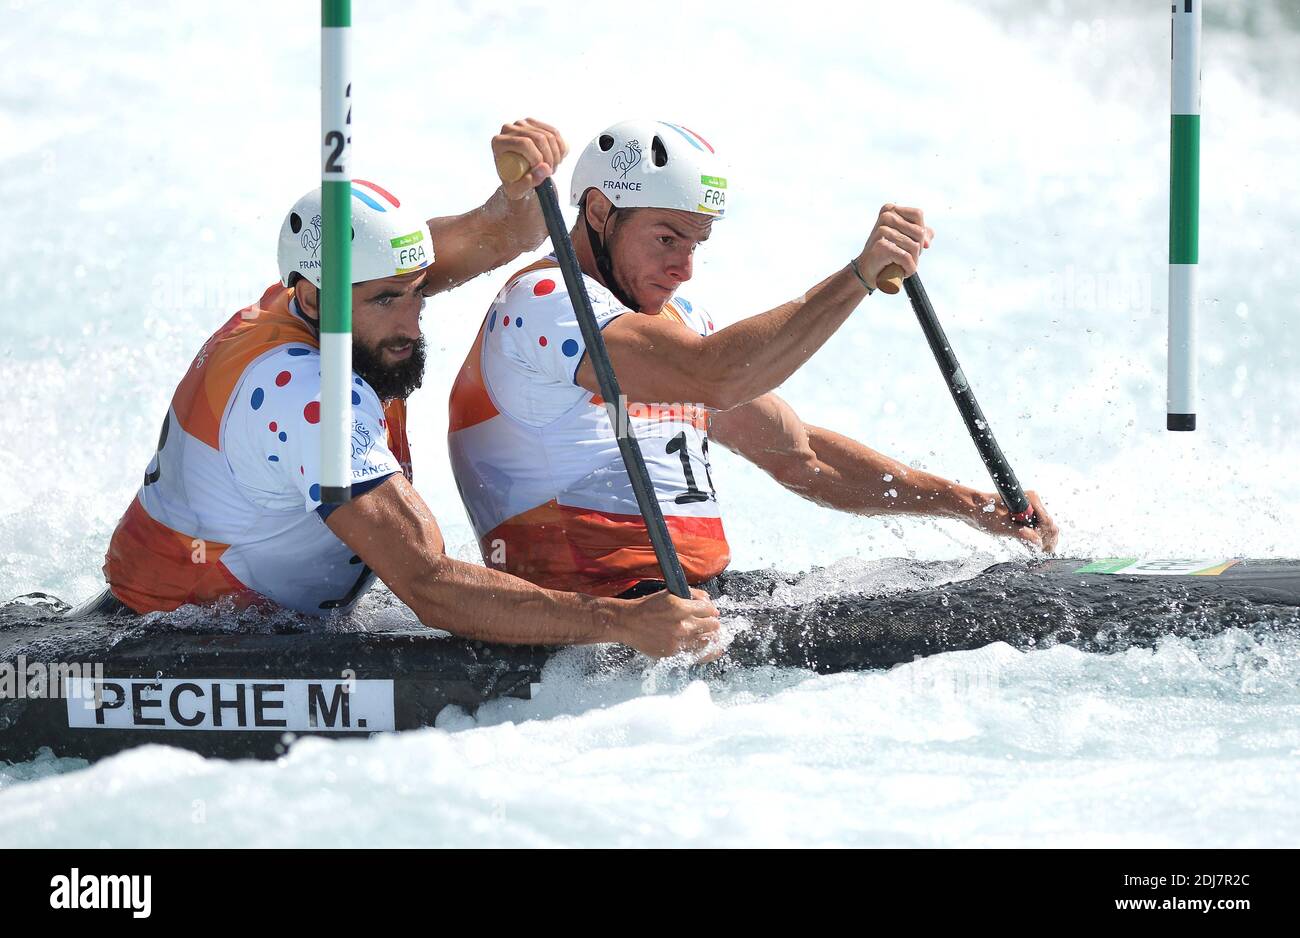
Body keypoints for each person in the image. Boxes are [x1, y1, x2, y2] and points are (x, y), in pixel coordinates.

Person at [94, 118, 722, 660]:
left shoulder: (338, 302)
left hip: (266, 626)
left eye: (420, 291)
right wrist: (621, 624)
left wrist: (521, 186)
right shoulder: (303, 395)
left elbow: (492, 236)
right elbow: (427, 583)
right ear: (313, 297)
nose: (410, 321)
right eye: (388, 300)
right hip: (171, 644)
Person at [448, 119, 1059, 600]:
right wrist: (857, 279)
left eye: (696, 244)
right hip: (590, 619)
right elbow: (712, 377)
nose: (684, 267)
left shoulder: (678, 323)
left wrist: (971, 505)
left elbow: (802, 457)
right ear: (601, 212)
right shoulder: (544, 303)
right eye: (667, 238)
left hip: (683, 603)